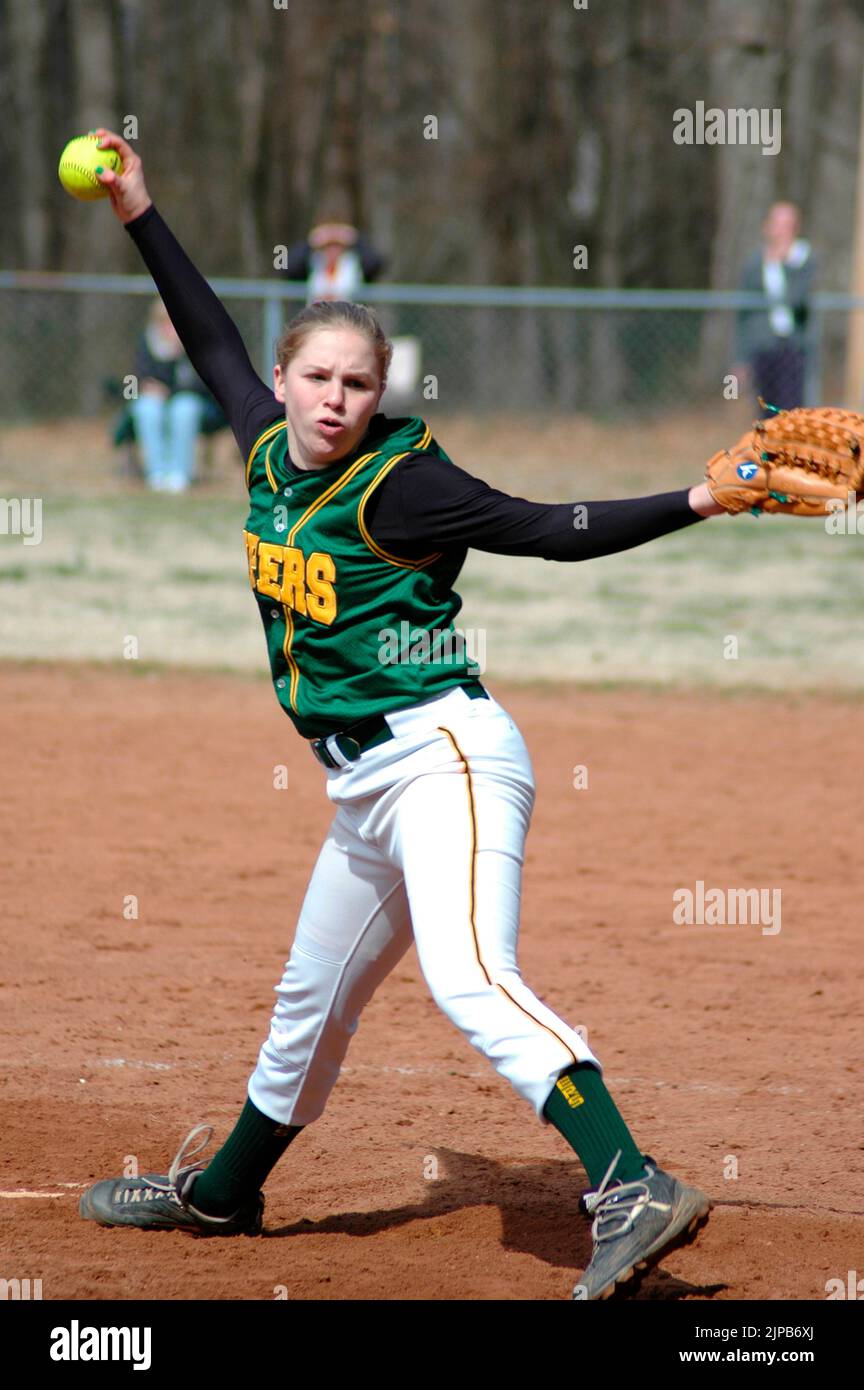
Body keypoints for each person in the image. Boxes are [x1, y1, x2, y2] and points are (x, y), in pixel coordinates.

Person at [77, 127, 725, 1302]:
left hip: (448, 760)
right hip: (362, 785)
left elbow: (552, 528)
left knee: (471, 976)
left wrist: (701, 496)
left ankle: (632, 1181)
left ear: (382, 395)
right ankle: (223, 1193)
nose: (336, 399)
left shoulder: (403, 481)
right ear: (284, 383)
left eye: (358, 384)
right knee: (307, 1006)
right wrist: (140, 211)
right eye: (318, 377)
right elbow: (210, 331)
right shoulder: (269, 448)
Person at [127, 296, 220, 492]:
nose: (169, 327)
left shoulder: (196, 343)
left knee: (183, 409)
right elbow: (138, 376)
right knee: (146, 408)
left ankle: (179, 474)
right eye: (165, 322)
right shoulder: (148, 341)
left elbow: (202, 384)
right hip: (157, 401)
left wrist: (180, 354)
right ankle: (157, 473)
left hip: (192, 399)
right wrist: (146, 387)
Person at [734, 202, 816, 416]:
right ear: (767, 227)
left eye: (788, 225)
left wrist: (782, 263)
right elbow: (743, 314)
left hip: (792, 348)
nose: (782, 231)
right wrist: (739, 358)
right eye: (777, 224)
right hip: (762, 347)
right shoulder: (754, 264)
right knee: (764, 412)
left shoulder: (803, 259)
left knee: (791, 412)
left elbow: (797, 299)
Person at [282, 220, 385, 304]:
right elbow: (287, 268)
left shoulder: (354, 266)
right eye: (328, 246)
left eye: (337, 246)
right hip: (316, 318)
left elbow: (375, 264)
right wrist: (310, 242)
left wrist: (355, 238)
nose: (332, 251)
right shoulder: (313, 264)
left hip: (349, 320)